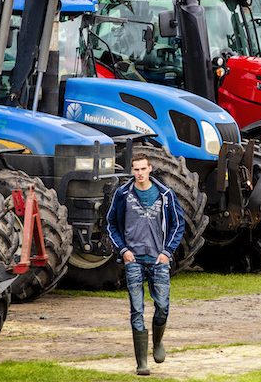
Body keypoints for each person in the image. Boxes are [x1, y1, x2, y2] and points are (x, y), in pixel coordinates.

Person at [106, 152, 186, 376]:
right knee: (137, 311)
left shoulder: (165, 195)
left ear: (150, 169)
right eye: (136, 169)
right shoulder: (122, 194)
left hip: (158, 260)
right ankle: (141, 362)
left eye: (143, 169)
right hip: (133, 260)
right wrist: (123, 251)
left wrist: (167, 252)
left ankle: (158, 342)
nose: (140, 173)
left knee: (162, 306)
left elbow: (178, 225)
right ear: (132, 171)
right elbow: (111, 224)